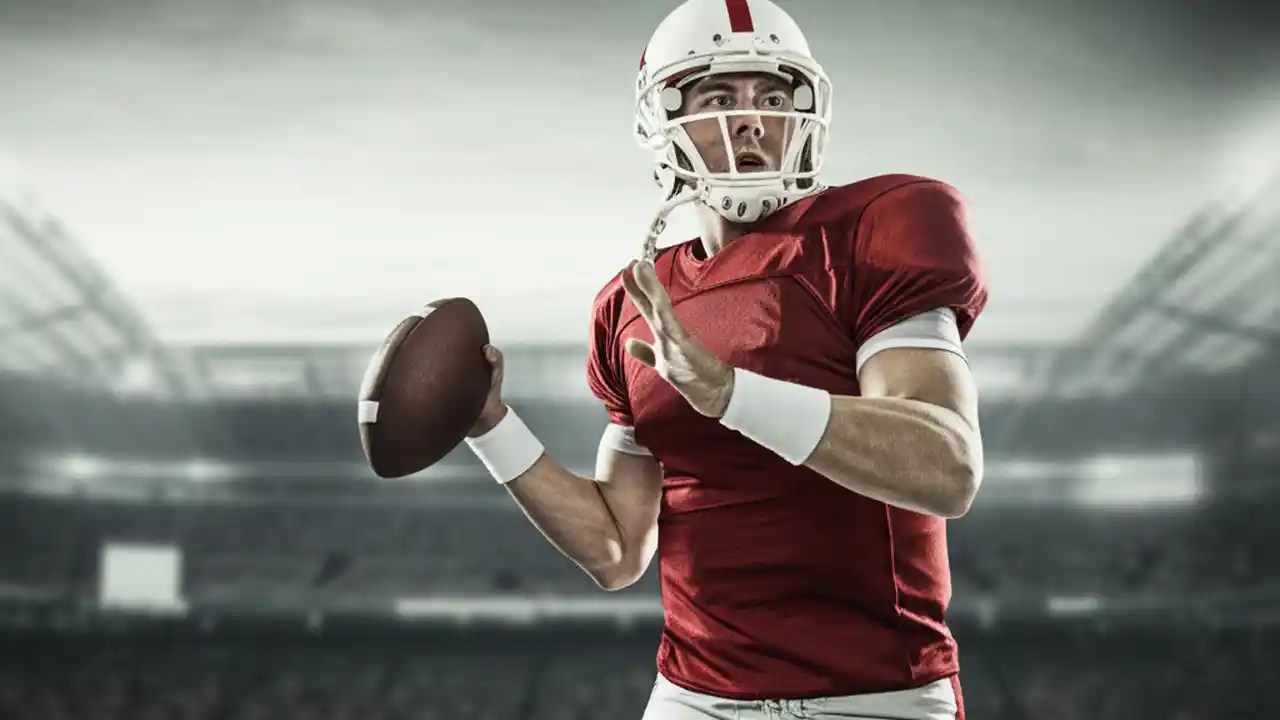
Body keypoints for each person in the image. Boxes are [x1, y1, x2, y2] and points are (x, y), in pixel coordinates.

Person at [462, 1, 988, 718]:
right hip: (692, 697)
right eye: (718, 98)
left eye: (772, 97)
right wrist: (490, 425)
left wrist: (732, 395)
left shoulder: (871, 233)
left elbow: (947, 468)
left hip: (873, 694)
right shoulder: (633, 302)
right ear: (661, 121)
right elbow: (617, 547)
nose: (753, 121)